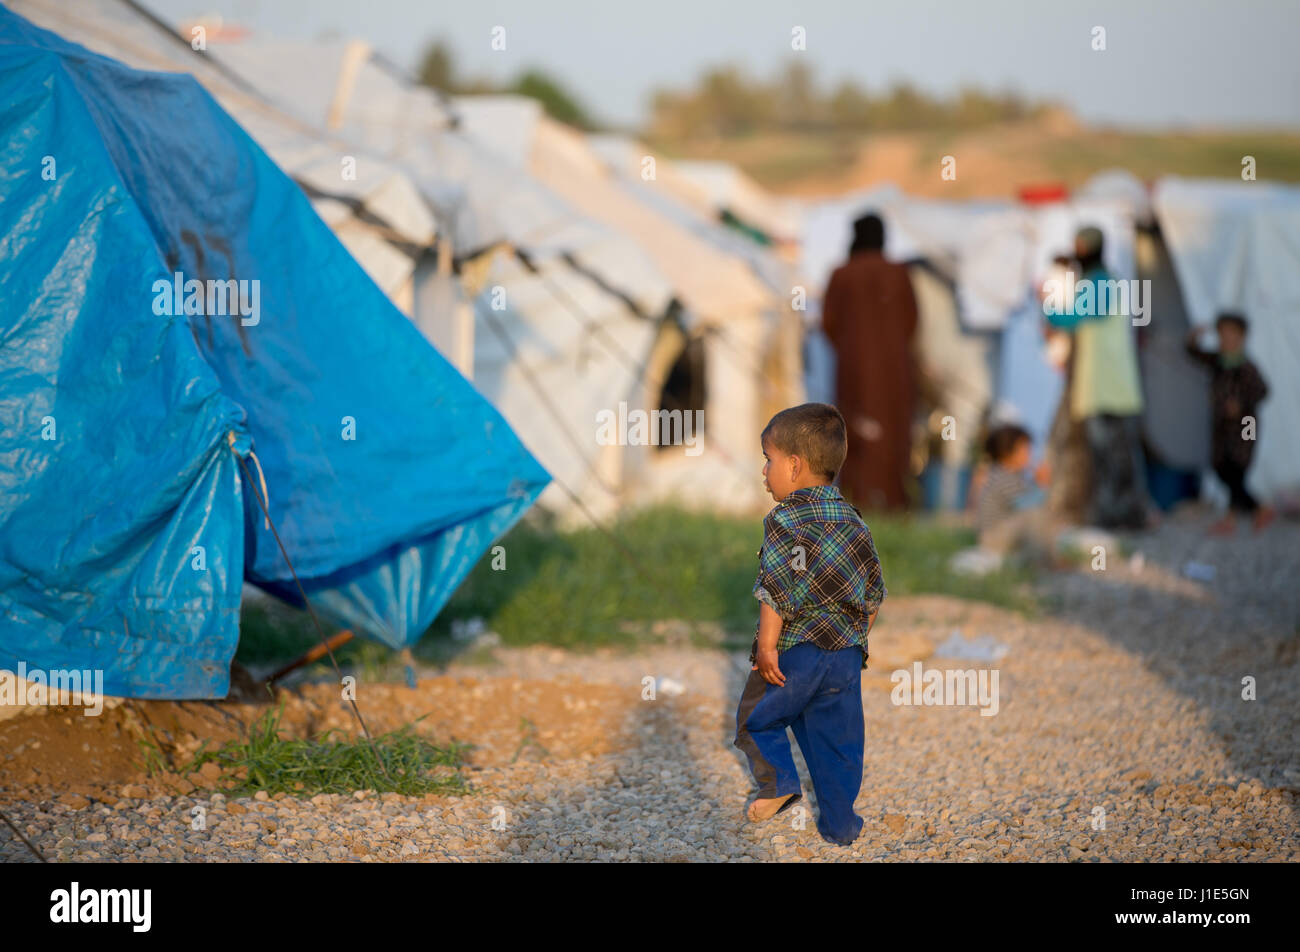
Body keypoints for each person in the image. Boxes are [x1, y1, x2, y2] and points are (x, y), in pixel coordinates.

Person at [734, 403, 886, 846]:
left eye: (769, 459)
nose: (765, 471)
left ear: (795, 466)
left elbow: (776, 591)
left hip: (795, 653)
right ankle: (841, 826)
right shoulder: (856, 522)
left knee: (756, 720)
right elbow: (874, 593)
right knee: (838, 746)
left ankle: (780, 782)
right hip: (844, 658)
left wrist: (767, 648)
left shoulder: (783, 521)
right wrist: (854, 640)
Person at [1046, 226, 1151, 530]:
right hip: (1105, 385)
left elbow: (1073, 317)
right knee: (1113, 455)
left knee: (1112, 456)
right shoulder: (1101, 280)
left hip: (1107, 386)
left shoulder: (1100, 283)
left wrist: (1048, 302)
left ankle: (1118, 517)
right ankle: (1121, 516)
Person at [820, 212, 918, 511]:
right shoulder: (898, 272)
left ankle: (856, 502)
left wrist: (853, 352)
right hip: (896, 373)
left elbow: (828, 324)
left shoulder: (842, 274)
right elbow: (912, 322)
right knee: (894, 433)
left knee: (855, 433)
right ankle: (894, 502)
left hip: (853, 374)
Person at [1184, 313, 1273, 534]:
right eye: (1223, 335)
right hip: (1223, 428)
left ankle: (1231, 519)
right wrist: (1193, 338)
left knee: (1237, 468)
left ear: (1242, 337)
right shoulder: (1218, 361)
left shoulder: (1246, 366)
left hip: (1246, 425)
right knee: (1222, 467)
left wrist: (1240, 405)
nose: (1227, 340)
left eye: (1232, 335)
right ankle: (1258, 509)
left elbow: (1263, 391)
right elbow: (1193, 354)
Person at [975, 423, 1054, 559]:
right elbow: (1027, 505)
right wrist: (1042, 485)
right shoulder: (1003, 476)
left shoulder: (1010, 475)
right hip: (993, 538)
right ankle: (1045, 557)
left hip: (997, 536)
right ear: (1007, 452)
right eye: (1025, 448)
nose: (1029, 454)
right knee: (1034, 516)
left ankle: (1044, 555)